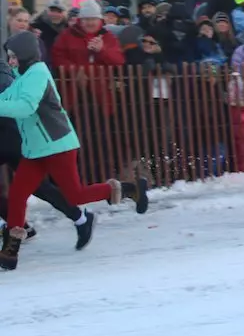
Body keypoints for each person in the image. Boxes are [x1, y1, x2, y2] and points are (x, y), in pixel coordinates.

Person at [0, 32, 147, 271]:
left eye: (14, 57)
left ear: (26, 55)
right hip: (35, 149)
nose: (11, 61)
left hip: (57, 146)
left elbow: (25, 107)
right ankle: (11, 249)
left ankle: (130, 189)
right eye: (9, 57)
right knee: (18, 195)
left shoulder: (37, 73)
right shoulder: (22, 75)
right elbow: (7, 96)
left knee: (75, 195)